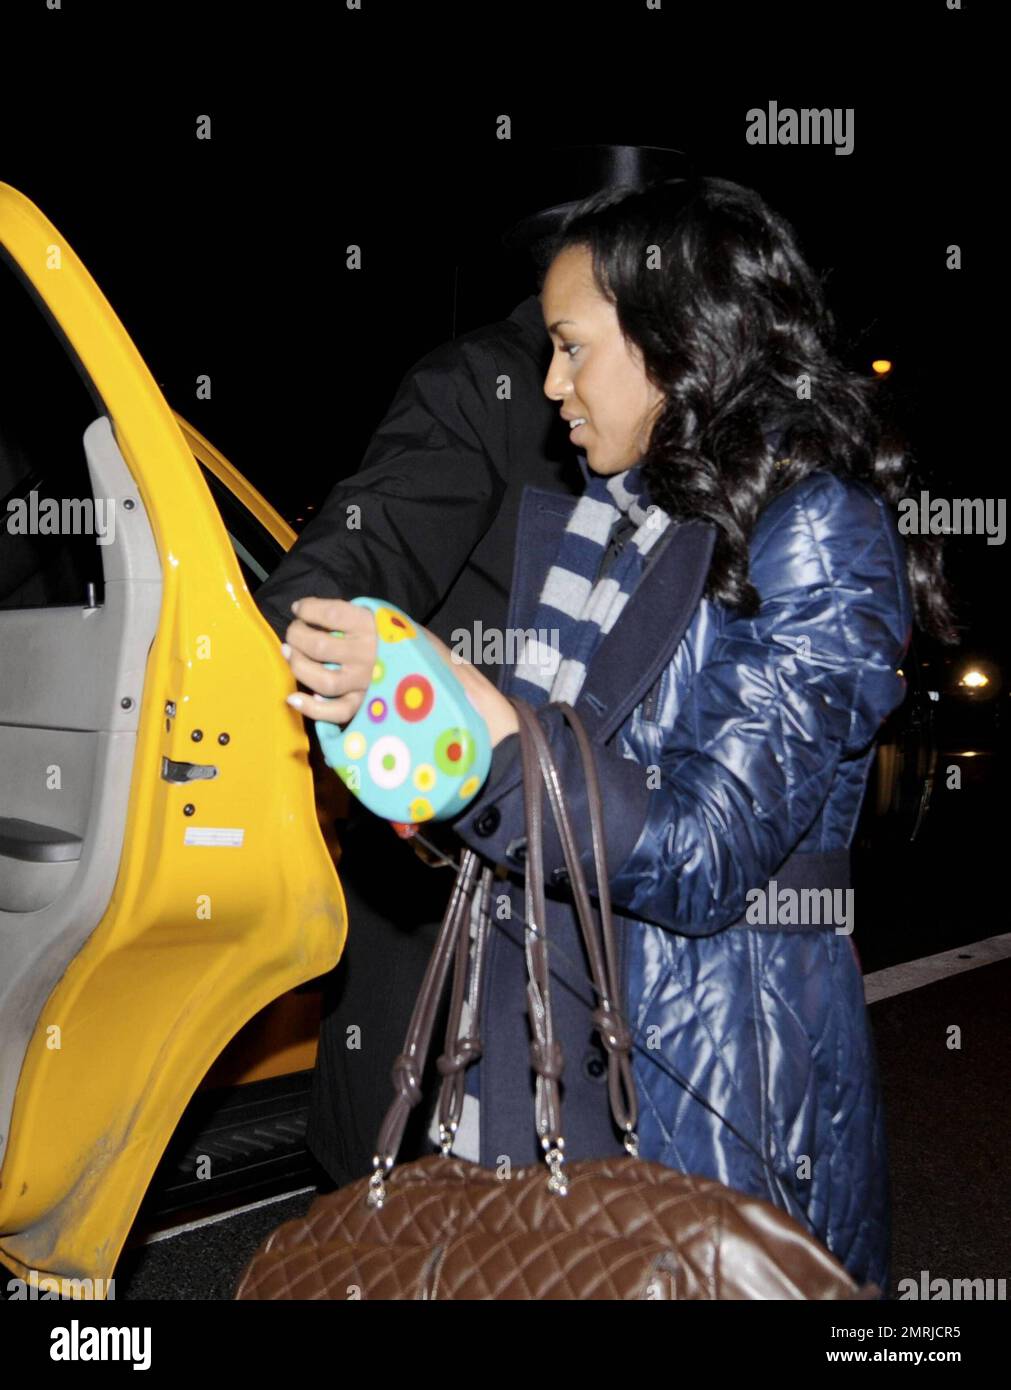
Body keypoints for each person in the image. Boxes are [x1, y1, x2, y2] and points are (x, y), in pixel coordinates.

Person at [286, 174, 957, 1296]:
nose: (549, 384)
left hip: (710, 1086)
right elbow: (551, 803)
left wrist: (501, 742)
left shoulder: (818, 530)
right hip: (543, 1056)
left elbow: (707, 853)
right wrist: (427, 757)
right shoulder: (614, 522)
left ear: (674, 338)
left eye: (570, 346)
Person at [254, 146, 692, 1190]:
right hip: (453, 906)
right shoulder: (484, 388)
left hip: (614, 902)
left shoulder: (695, 430)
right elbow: (328, 583)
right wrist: (368, 687)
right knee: (412, 1218)